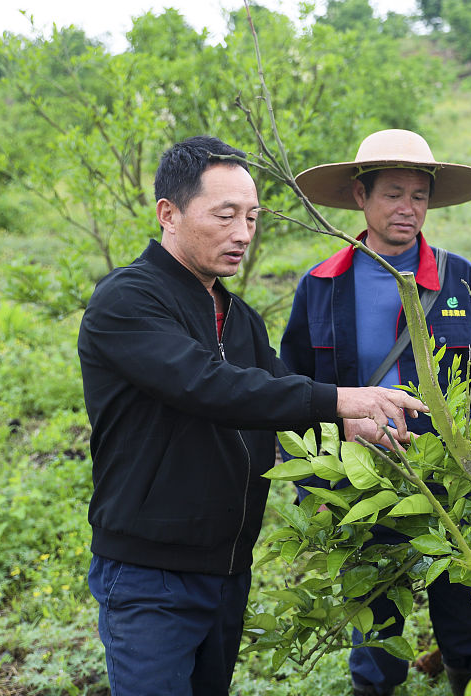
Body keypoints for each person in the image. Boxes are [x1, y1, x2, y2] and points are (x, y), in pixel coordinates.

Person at [78, 136, 426, 696]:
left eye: (252, 217)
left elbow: (277, 391)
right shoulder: (128, 300)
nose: (242, 233)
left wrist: (349, 425)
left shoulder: (236, 316)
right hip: (150, 573)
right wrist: (341, 399)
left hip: (225, 567)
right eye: (225, 216)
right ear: (169, 213)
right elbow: (206, 385)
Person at [279, 128, 471, 696]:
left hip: (448, 483)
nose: (408, 209)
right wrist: (316, 485)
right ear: (360, 197)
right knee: (375, 630)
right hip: (361, 483)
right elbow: (293, 391)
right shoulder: (322, 283)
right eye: (392, 194)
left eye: (419, 196)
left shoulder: (459, 279)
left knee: (465, 618)